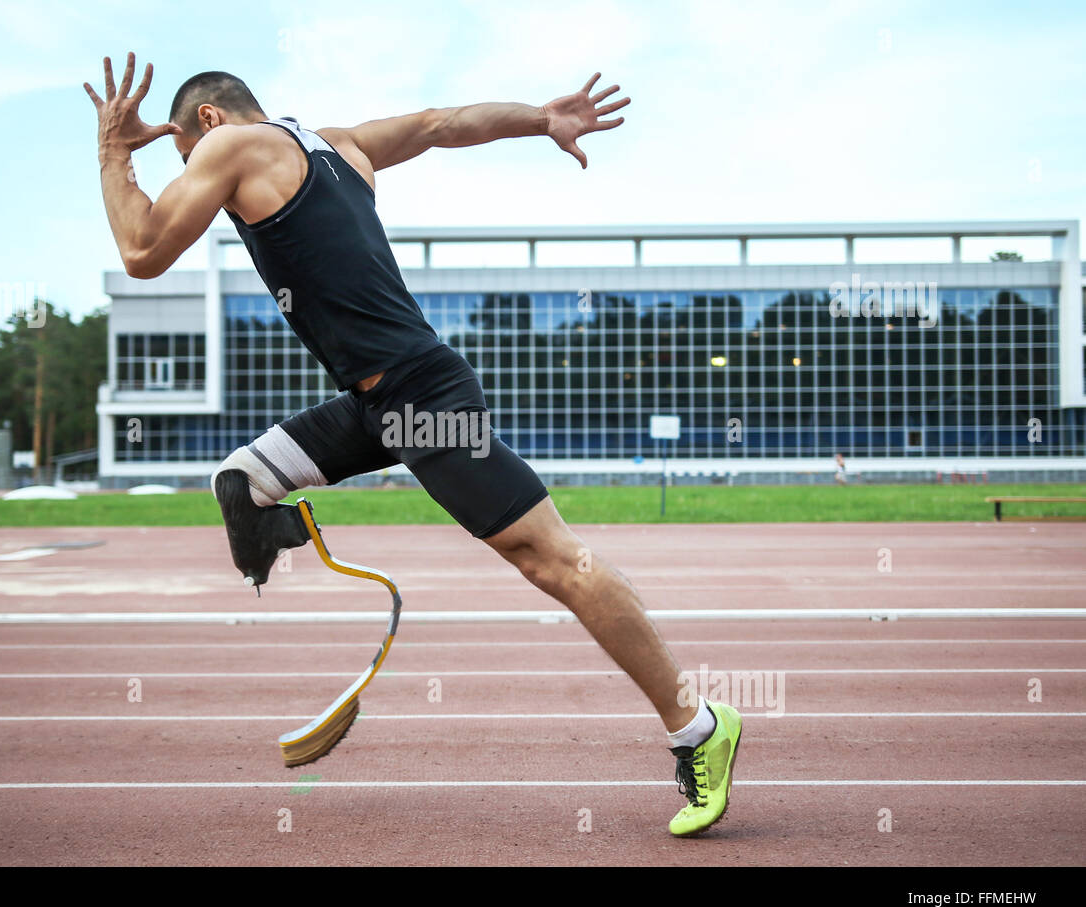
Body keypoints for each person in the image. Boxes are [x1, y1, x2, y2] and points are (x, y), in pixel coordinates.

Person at [84, 54, 741, 835]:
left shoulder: (233, 145)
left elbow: (142, 250)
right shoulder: (337, 144)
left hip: (421, 398)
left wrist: (114, 154)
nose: (200, 184)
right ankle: (296, 530)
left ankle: (699, 727)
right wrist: (541, 118)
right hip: (373, 403)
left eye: (188, 163)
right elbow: (439, 125)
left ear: (209, 121)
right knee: (242, 482)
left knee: (553, 561)